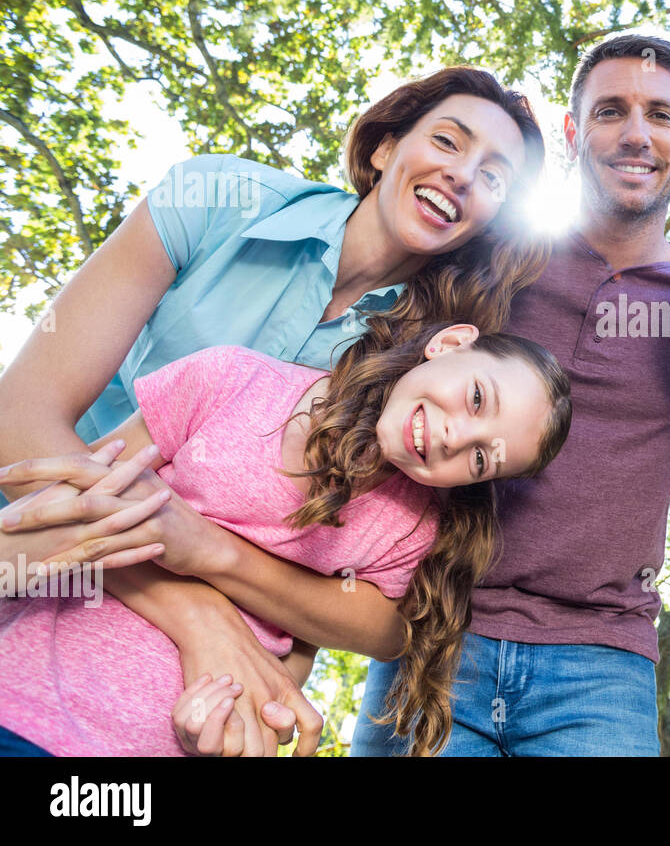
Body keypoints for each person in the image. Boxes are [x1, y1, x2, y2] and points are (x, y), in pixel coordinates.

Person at [0, 67, 549, 753]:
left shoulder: (403, 387)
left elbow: (352, 587)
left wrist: (230, 604)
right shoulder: (217, 200)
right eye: (447, 140)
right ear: (382, 147)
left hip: (167, 691)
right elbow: (18, 422)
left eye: (495, 179)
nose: (465, 175)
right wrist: (192, 608)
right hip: (35, 554)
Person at [352, 34, 670, 757]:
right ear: (574, 133)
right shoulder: (493, 255)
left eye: (660, 116)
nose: (636, 134)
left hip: (602, 661)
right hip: (433, 626)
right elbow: (363, 317)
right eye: (611, 111)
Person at [0, 322, 572, 757]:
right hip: (21, 700)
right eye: (477, 399)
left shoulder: (412, 531)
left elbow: (290, 663)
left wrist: (232, 733)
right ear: (449, 344)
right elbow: (41, 525)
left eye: (480, 458)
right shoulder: (230, 381)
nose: (455, 436)